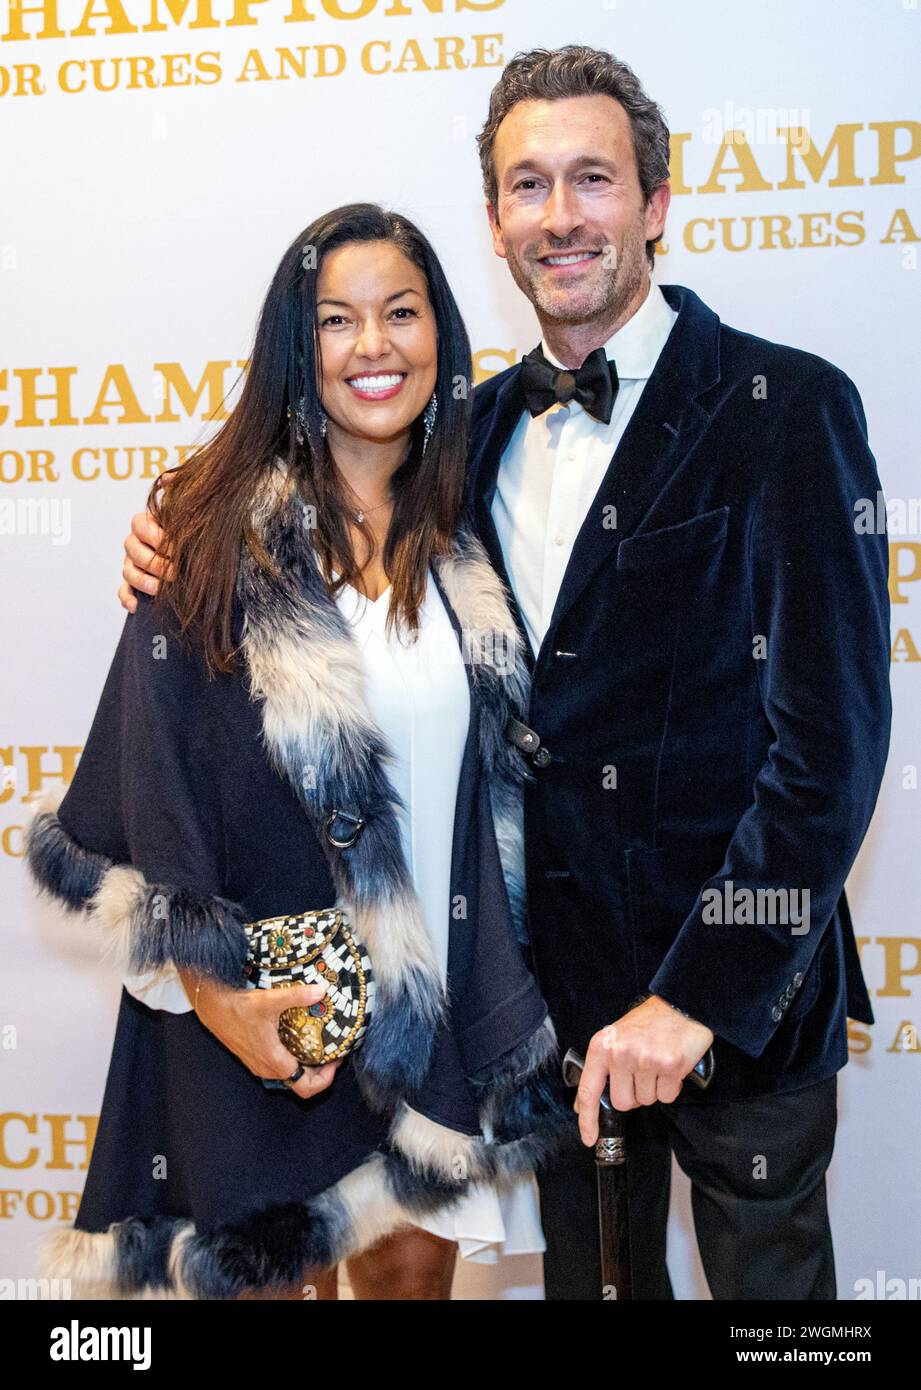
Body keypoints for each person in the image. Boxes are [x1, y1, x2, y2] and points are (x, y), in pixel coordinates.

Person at [119, 48, 892, 1302]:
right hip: (550, 1015)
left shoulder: (785, 408)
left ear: (656, 200)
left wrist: (694, 1000)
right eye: (528, 185)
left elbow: (832, 746)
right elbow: (307, 514)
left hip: (742, 1003)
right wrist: (174, 533)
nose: (561, 214)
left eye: (594, 178)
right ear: (494, 222)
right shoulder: (455, 434)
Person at [25, 202, 575, 1302]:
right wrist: (214, 991)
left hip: (434, 1035)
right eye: (337, 319)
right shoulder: (210, 544)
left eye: (402, 312)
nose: (374, 345)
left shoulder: (474, 536)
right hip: (265, 1037)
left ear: (442, 337)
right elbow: (153, 789)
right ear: (296, 347)